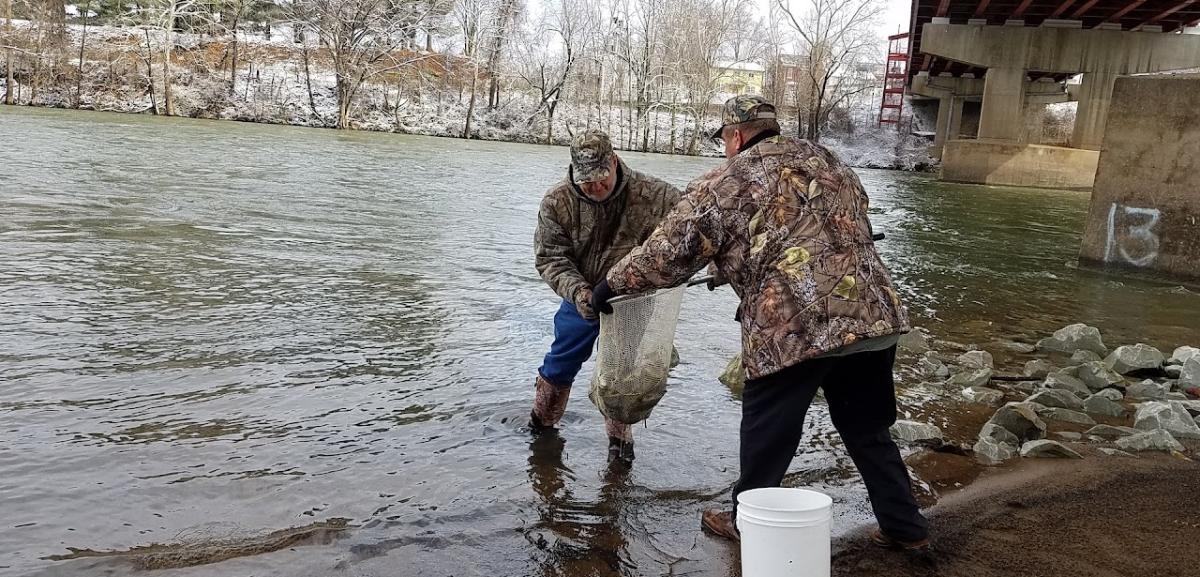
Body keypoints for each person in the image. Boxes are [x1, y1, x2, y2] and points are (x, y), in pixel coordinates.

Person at [591, 96, 931, 550]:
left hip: (795, 324)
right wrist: (732, 266)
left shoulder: (724, 180)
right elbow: (814, 227)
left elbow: (668, 253)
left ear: (735, 135)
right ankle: (907, 529)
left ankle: (747, 521)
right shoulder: (826, 159)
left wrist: (608, 286)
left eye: (725, 140)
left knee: (766, 433)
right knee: (868, 430)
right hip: (872, 315)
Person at [530, 130, 682, 466]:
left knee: (621, 376)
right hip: (582, 298)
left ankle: (619, 445)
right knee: (559, 365)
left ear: (613, 162)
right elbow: (550, 259)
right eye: (587, 183)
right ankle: (540, 430)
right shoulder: (556, 202)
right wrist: (579, 292)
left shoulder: (654, 194)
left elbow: (694, 224)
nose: (595, 188)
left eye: (601, 179)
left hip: (631, 302)